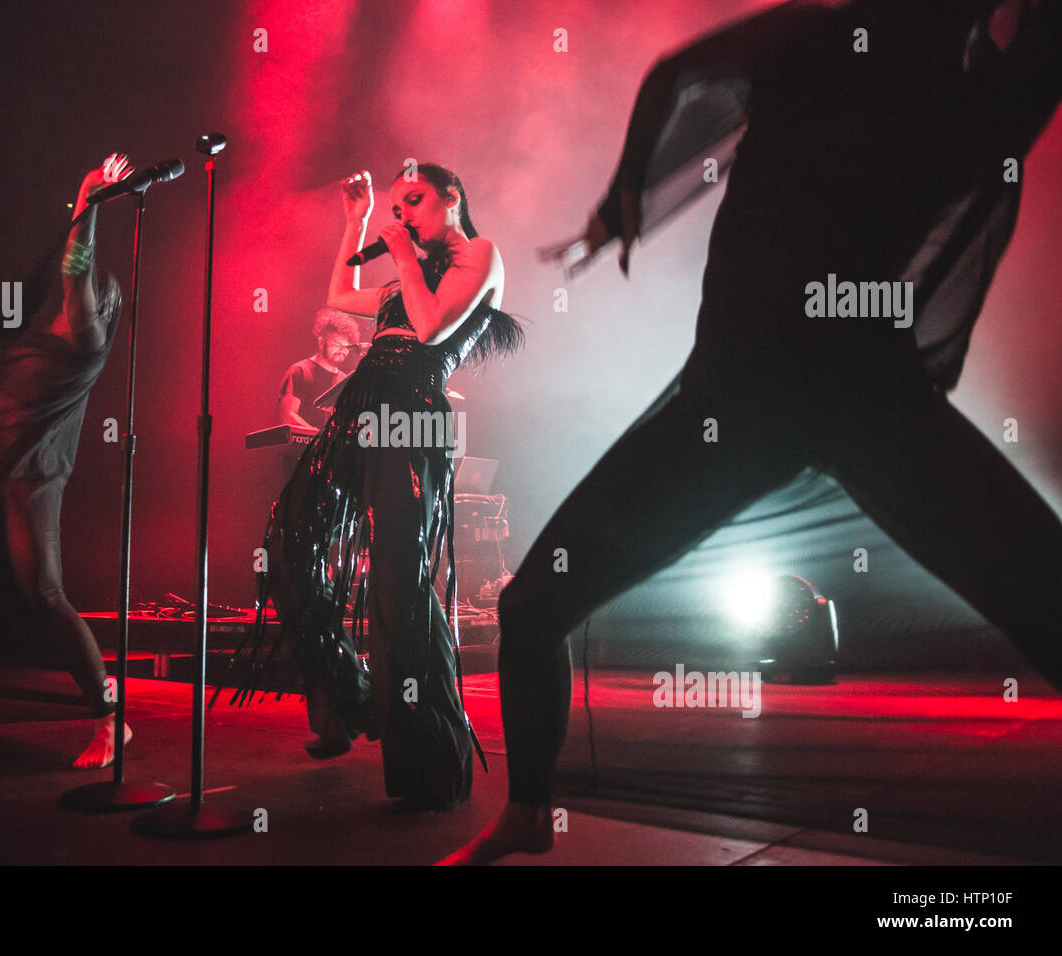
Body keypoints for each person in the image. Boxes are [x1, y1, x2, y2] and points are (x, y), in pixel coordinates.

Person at [445, 0, 1062, 862]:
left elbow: (672, 79)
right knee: (534, 604)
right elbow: (674, 81)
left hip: (785, 397)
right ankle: (527, 816)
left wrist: (627, 200)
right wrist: (628, 201)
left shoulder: (942, 82)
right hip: (812, 398)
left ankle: (526, 814)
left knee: (534, 605)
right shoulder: (961, 88)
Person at [220, 163, 522, 809]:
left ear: (452, 199)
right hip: (361, 411)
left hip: (411, 413)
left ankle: (429, 761)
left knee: (398, 580)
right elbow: (337, 295)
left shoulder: (482, 256)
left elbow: (434, 325)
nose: (402, 214)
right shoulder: (402, 271)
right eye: (395, 206)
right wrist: (355, 224)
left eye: (412, 202)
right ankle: (351, 694)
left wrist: (405, 254)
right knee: (290, 538)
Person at [0, 153, 134, 769]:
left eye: (88, 293)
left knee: (42, 591)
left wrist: (88, 200)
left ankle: (109, 718)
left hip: (32, 474)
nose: (79, 295)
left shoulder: (86, 340)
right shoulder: (35, 325)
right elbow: (33, 317)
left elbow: (75, 265)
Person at [278, 309, 361, 430]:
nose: (343, 350)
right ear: (321, 342)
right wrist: (318, 436)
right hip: (304, 447)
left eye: (347, 347)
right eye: (337, 344)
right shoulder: (300, 371)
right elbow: (288, 416)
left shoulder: (345, 380)